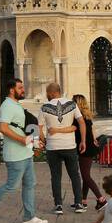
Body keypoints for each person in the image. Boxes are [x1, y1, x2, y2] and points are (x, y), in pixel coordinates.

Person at [0, 78, 47, 223]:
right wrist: (21, 140)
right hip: (15, 154)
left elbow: (18, 127)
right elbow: (3, 128)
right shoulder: (7, 105)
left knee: (29, 184)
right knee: (12, 186)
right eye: (20, 88)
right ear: (11, 90)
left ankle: (29, 217)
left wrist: (33, 142)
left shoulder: (16, 105)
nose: (23, 90)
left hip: (25, 153)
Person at [39, 82, 86, 214]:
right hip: (69, 145)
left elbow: (40, 130)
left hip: (53, 147)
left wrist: (45, 141)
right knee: (75, 175)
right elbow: (81, 122)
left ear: (51, 93)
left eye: (47, 93)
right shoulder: (71, 105)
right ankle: (78, 203)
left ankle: (58, 205)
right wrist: (83, 141)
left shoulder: (44, 107)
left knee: (55, 176)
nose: (47, 95)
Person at [72, 93, 105, 210]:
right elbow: (91, 131)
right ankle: (83, 200)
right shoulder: (86, 116)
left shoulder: (77, 118)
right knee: (86, 174)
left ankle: (101, 199)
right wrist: (94, 139)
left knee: (85, 176)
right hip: (90, 146)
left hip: (84, 148)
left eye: (73, 102)